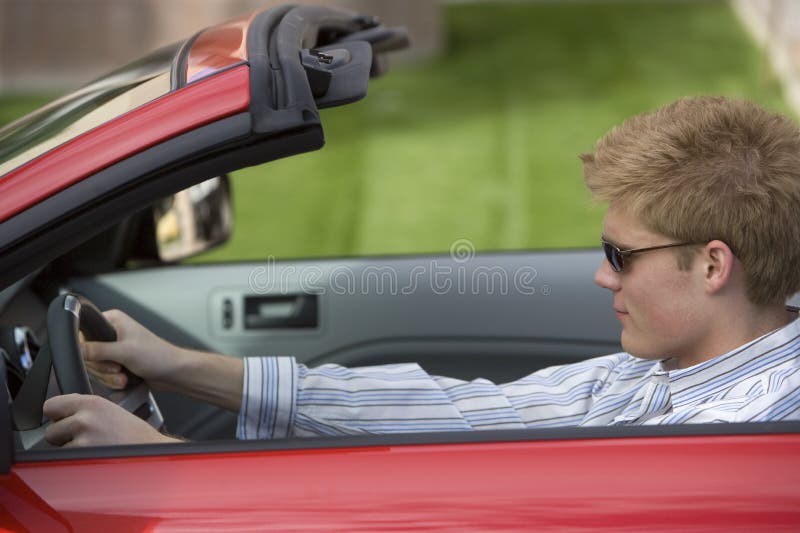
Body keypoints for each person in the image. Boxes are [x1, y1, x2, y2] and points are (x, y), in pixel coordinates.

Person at [43, 96, 800, 447]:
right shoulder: (656, 378)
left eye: (619, 256)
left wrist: (162, 465)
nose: (603, 279)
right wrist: (178, 366)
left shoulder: (749, 433)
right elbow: (459, 413)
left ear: (711, 265)